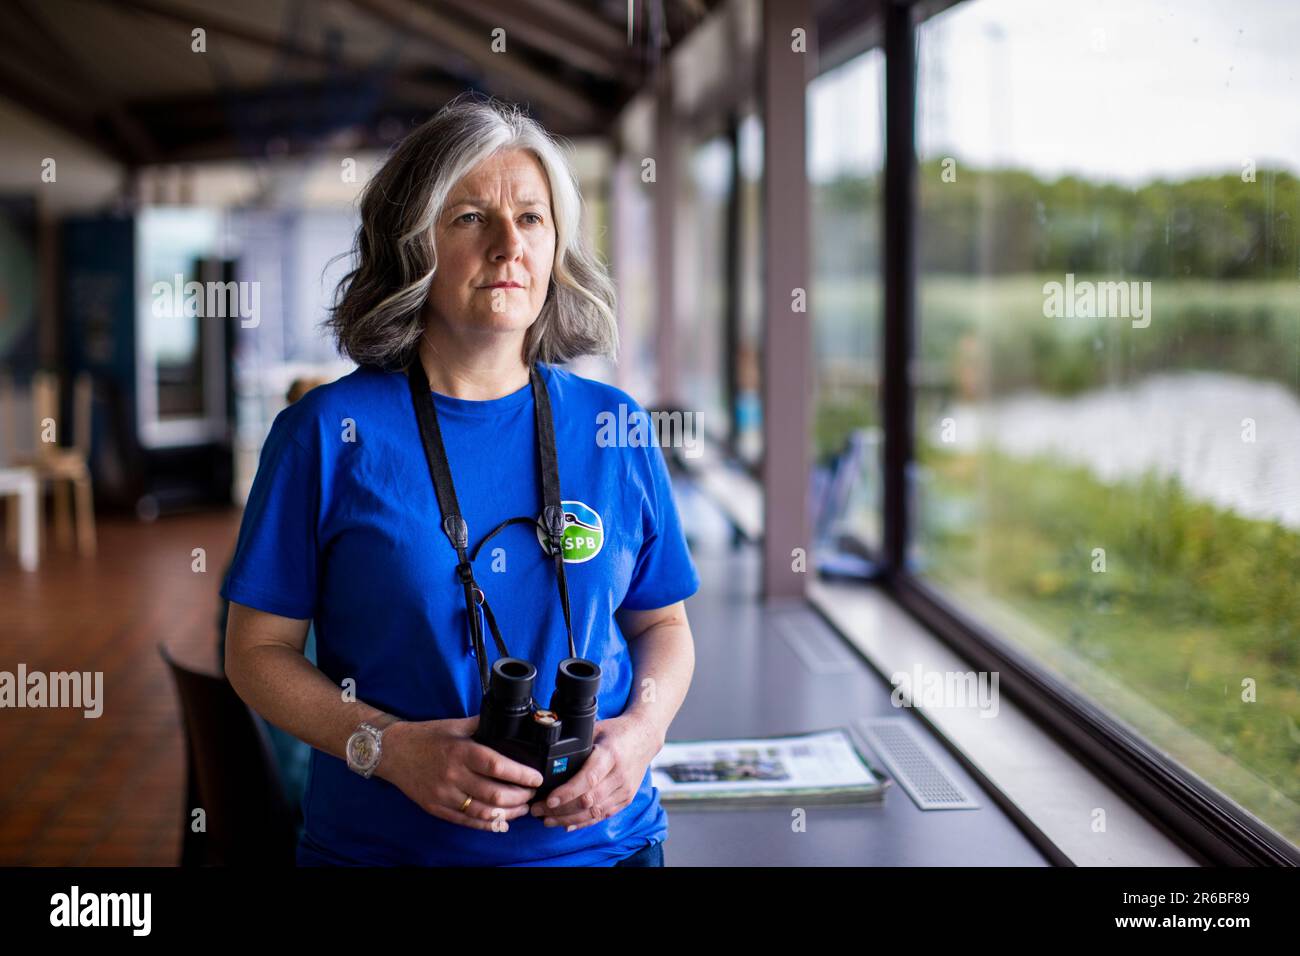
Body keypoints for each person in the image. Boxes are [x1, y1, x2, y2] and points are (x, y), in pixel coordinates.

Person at [220, 93, 699, 866]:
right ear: (414, 246)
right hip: (385, 853)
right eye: (471, 217)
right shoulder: (326, 434)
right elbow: (255, 652)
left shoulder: (614, 426)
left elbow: (663, 627)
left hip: (607, 849)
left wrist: (641, 736)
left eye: (533, 218)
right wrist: (389, 748)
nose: (510, 245)